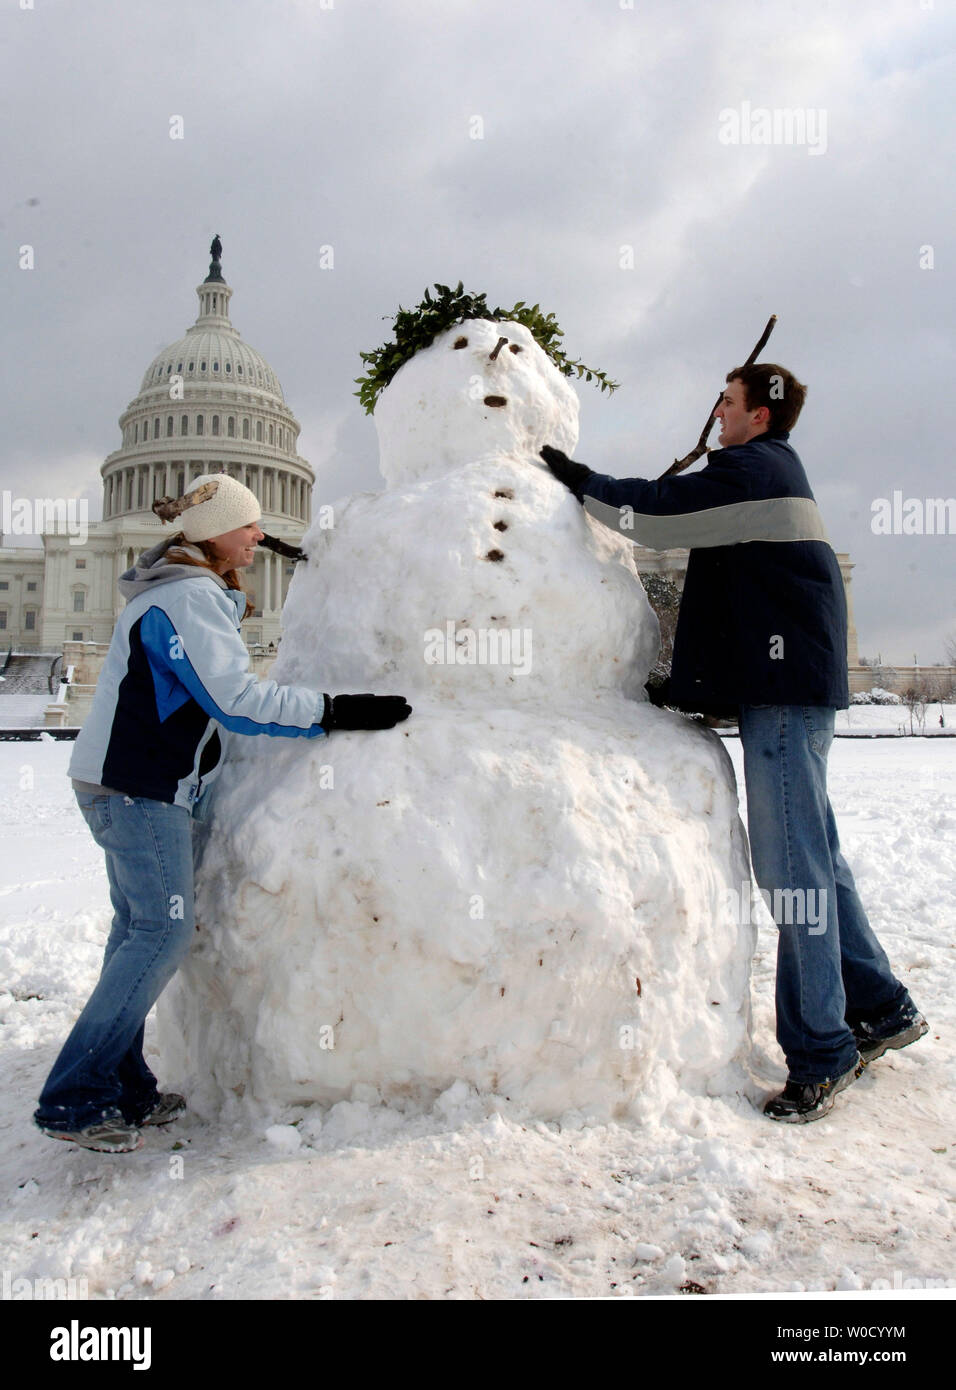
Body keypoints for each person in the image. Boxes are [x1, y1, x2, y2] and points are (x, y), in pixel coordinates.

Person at [541, 363, 927, 1123]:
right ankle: (881, 1006)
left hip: (784, 697)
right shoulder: (769, 469)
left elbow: (650, 516)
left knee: (794, 874)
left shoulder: (751, 471)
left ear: (759, 416)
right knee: (817, 856)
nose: (715, 411)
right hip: (794, 689)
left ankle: (824, 1051)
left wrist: (575, 477)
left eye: (727, 400)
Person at [35, 474, 411, 1153]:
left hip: (131, 783)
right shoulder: (188, 599)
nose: (259, 535)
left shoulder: (186, 591)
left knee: (137, 935)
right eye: (247, 526)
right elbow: (235, 700)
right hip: (137, 789)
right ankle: (75, 1096)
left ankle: (123, 1085)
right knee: (160, 936)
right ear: (212, 534)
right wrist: (337, 710)